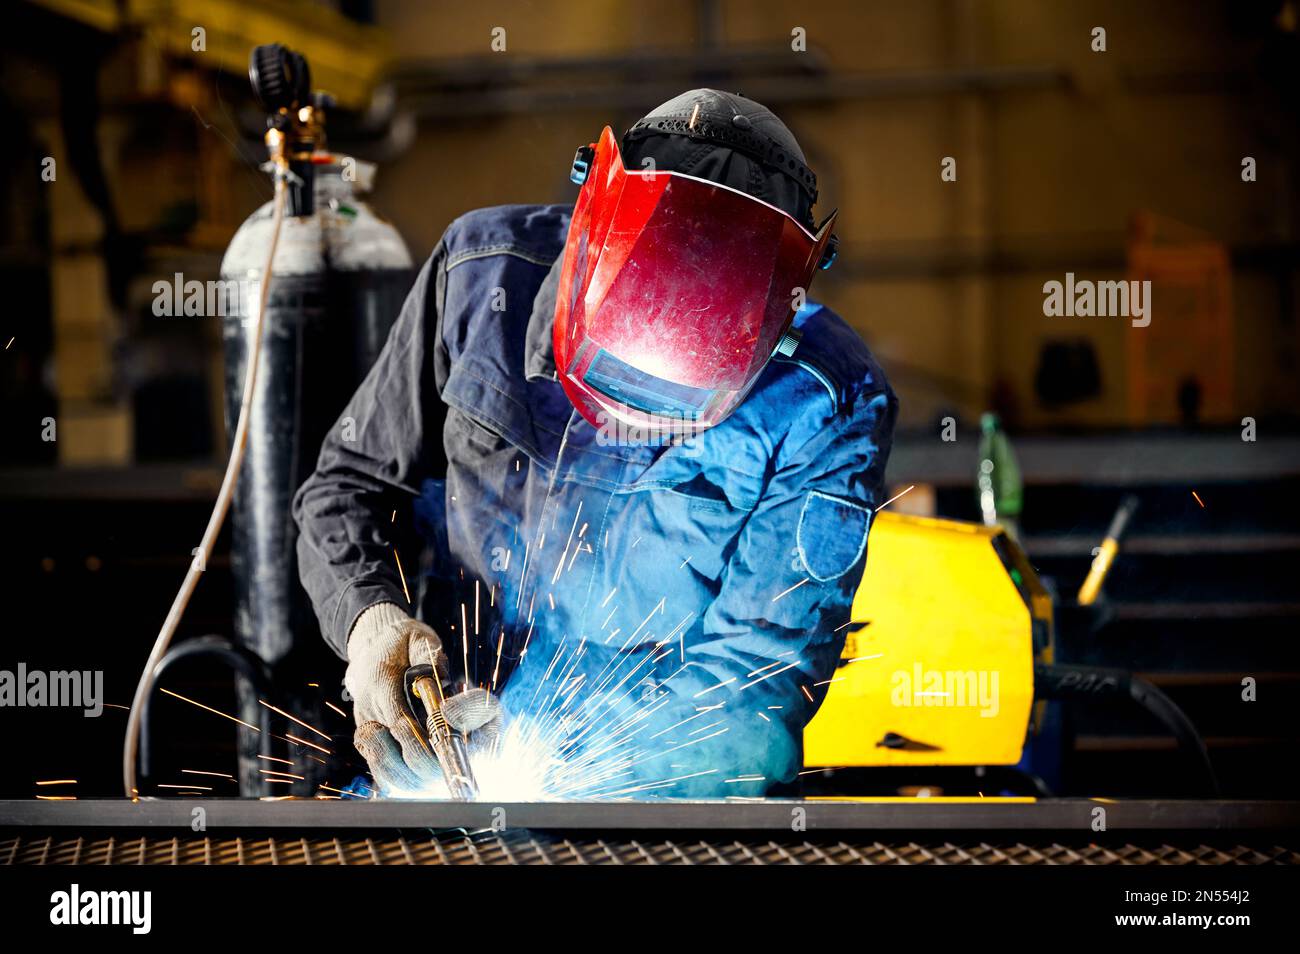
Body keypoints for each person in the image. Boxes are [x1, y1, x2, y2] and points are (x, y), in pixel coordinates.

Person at [293, 89, 897, 798]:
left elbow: (753, 686)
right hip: (434, 752)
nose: (629, 422)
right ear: (591, 218)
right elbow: (348, 488)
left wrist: (544, 753)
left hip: (658, 795)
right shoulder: (479, 279)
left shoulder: (827, 396)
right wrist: (369, 621)